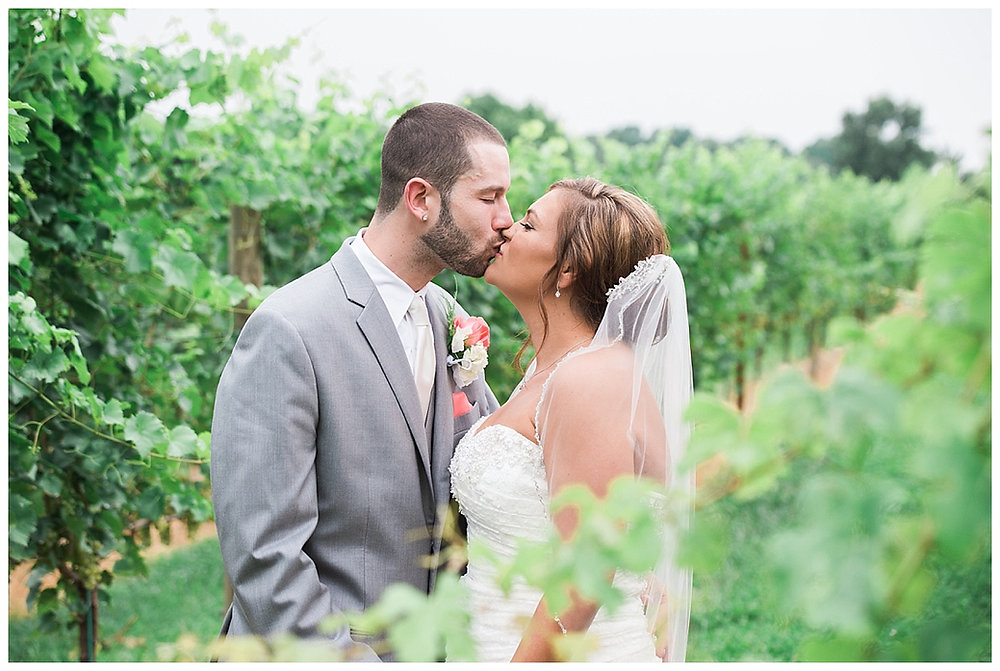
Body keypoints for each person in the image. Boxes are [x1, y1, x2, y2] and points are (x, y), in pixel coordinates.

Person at [209, 102, 511, 660]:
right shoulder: (288, 330)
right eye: (489, 197)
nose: (505, 219)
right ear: (421, 198)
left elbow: (486, 467)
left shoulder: (447, 313)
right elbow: (265, 556)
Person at [448, 177, 694, 662]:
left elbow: (586, 573)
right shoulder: (554, 372)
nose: (506, 230)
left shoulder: (589, 378)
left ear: (566, 270)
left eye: (527, 223)